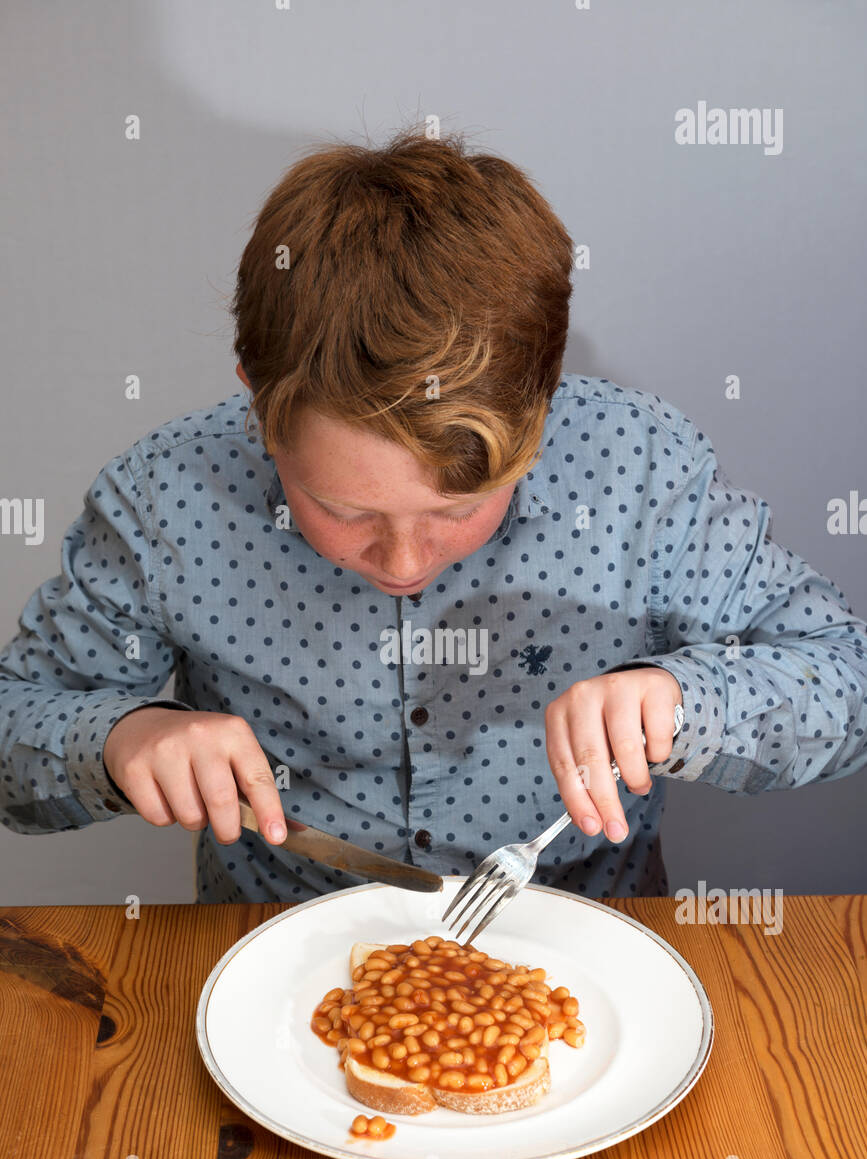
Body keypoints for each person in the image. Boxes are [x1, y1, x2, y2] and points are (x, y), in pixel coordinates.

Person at [1, 128, 865, 903]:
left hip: (594, 944)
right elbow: (14, 739)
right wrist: (123, 737)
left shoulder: (638, 469)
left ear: (542, 407)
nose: (405, 562)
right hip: (272, 956)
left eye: (460, 508)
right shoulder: (164, 496)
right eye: (342, 508)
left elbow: (849, 690)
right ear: (259, 407)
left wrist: (689, 702)